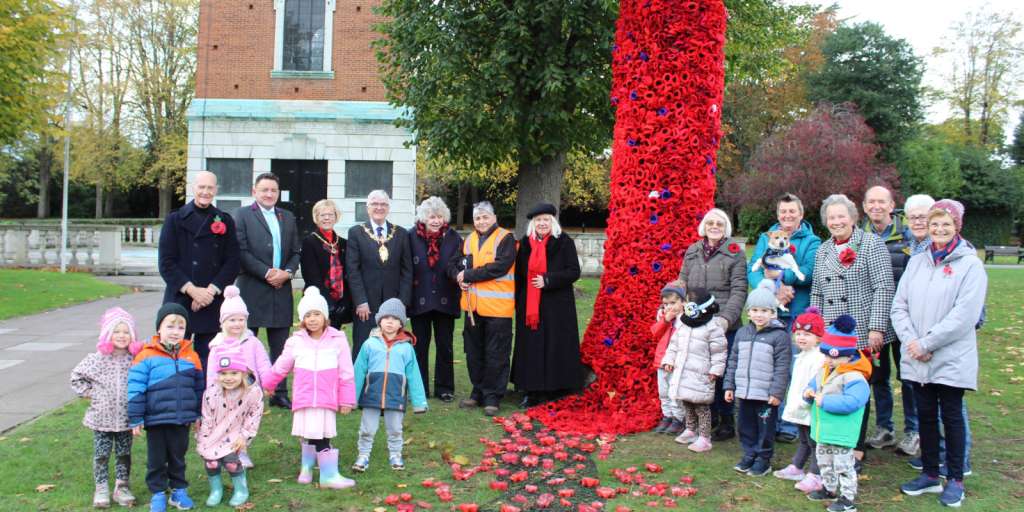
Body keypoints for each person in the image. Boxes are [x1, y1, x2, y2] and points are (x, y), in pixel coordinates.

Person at [894, 199, 986, 508]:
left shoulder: (970, 264)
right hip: (916, 354)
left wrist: (927, 343)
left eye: (946, 223)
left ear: (956, 225)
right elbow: (900, 305)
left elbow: (965, 315)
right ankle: (931, 474)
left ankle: (955, 478)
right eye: (934, 223)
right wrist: (911, 341)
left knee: (951, 416)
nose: (939, 228)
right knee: (926, 417)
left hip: (949, 356)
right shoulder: (919, 260)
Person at [810, 193, 895, 469]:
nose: (836, 221)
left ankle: (856, 449)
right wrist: (816, 327)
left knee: (855, 391)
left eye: (841, 216)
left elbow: (884, 286)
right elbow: (817, 291)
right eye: (831, 217)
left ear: (853, 217)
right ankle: (833, 442)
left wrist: (876, 327)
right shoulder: (823, 250)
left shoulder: (870, 244)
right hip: (832, 336)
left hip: (860, 333)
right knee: (831, 388)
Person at [261, 287, 357, 490]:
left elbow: (346, 372)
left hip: (325, 398)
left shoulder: (337, 340)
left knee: (322, 434)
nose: (312, 319)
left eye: (316, 314)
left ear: (325, 316)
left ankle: (327, 474)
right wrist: (268, 384)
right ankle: (308, 469)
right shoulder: (295, 342)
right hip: (304, 397)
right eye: (307, 315)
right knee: (310, 432)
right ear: (302, 319)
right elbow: (281, 366)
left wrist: (346, 399)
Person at [747, 193, 822, 443]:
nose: (787, 216)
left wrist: (784, 280)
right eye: (783, 212)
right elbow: (754, 271)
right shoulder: (765, 238)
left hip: (799, 314)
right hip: (771, 313)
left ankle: (791, 422)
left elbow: (810, 272)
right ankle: (770, 416)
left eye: (792, 211)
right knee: (771, 367)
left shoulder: (812, 241)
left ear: (801, 214)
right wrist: (771, 288)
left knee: (796, 368)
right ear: (777, 214)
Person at [158, 170, 240, 369]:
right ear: (193, 188)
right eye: (201, 187)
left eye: (210, 188)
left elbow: (232, 262)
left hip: (212, 301)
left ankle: (206, 397)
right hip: (180, 298)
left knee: (209, 359)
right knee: (174, 356)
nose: (205, 192)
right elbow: (166, 263)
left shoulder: (225, 220)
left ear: (216, 190)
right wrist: (193, 291)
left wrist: (209, 292)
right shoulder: (175, 220)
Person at [127, 303, 204, 512]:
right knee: (157, 459)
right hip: (156, 419)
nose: (175, 332)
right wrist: (135, 417)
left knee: (178, 456)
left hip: (182, 418)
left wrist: (198, 414)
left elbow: (198, 388)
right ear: (159, 329)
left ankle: (179, 490)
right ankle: (158, 492)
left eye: (180, 327)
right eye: (170, 326)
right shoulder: (145, 356)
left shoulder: (192, 356)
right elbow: (135, 388)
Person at [679, 208, 748, 441]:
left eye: (719, 223)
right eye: (710, 223)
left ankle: (727, 420)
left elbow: (739, 289)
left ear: (726, 226)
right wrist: (676, 305)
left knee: (721, 373)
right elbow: (683, 283)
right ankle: (705, 419)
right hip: (696, 321)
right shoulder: (692, 251)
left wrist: (726, 319)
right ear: (704, 226)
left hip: (722, 322)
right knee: (698, 371)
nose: (714, 226)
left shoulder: (735, 252)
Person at [234, 173, 301, 410]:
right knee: (247, 342)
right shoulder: (242, 215)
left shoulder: (288, 217)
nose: (269, 194)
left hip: (280, 289)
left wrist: (288, 272)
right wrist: (266, 273)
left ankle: (279, 392)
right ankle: (246, 389)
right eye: (264, 190)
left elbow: (295, 251)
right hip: (252, 287)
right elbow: (241, 251)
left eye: (273, 190)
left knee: (281, 346)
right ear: (254, 192)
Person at [70, 307, 143, 508]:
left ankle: (122, 487)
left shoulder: (135, 360)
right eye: (117, 332)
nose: (121, 336)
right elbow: (76, 376)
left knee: (123, 454)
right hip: (101, 419)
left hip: (126, 419)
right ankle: (101, 487)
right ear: (108, 334)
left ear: (132, 335)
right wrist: (91, 393)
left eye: (126, 332)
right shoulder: (97, 359)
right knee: (101, 454)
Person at [861, 185, 915, 454]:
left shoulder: (908, 235)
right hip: (875, 320)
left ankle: (913, 431)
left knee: (908, 376)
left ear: (892, 205)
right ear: (864, 206)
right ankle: (885, 428)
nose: (876, 207)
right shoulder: (860, 236)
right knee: (878, 376)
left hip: (905, 318)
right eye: (871, 202)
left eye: (881, 202)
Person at [512, 203, 583, 407]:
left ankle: (556, 388)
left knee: (555, 345)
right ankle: (531, 390)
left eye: (546, 220)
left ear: (552, 222)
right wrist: (518, 302)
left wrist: (548, 280)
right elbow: (519, 275)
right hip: (530, 306)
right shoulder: (525, 244)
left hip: (557, 305)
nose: (542, 223)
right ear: (533, 223)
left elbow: (573, 271)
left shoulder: (563, 242)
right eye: (538, 220)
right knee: (531, 347)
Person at [451, 201, 517, 417]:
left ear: (494, 217)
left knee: (496, 354)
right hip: (472, 308)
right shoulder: (469, 240)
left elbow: (500, 267)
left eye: (485, 217)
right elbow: (458, 264)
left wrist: (469, 275)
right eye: (477, 218)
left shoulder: (505, 238)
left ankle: (493, 397)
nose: (481, 221)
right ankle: (477, 391)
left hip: (498, 308)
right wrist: (458, 277)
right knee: (474, 353)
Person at [804, 315, 872, 512]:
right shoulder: (825, 369)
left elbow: (854, 402)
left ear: (848, 355)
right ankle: (829, 488)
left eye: (834, 356)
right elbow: (814, 385)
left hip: (841, 432)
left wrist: (826, 401)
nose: (829, 360)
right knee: (824, 461)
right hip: (823, 430)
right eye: (826, 356)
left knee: (843, 465)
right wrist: (808, 393)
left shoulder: (855, 377)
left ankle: (847, 498)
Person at [352, 298, 428, 472]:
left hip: (395, 395)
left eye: (394, 319)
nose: (390, 322)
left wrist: (419, 402)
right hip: (371, 394)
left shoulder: (406, 348)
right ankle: (363, 456)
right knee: (367, 429)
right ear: (379, 320)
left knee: (395, 429)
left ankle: (395, 455)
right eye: (386, 318)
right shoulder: (369, 344)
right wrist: (352, 398)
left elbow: (414, 377)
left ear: (401, 323)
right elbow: (358, 372)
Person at [723, 283, 791, 476]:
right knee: (745, 426)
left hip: (765, 395)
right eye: (754, 310)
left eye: (764, 310)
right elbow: (733, 360)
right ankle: (749, 454)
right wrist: (729, 385)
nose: (759, 315)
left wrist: (777, 393)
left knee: (764, 428)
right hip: (744, 391)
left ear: (773, 312)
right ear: (748, 312)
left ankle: (763, 458)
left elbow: (782, 367)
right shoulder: (743, 333)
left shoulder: (779, 336)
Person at [408, 196, 463, 402]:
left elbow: (459, 264)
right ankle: (420, 386)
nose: (436, 220)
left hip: (446, 298)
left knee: (445, 345)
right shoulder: (411, 236)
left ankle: (444, 388)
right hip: (419, 298)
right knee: (419, 346)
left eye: (440, 216)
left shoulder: (454, 238)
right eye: (432, 216)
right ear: (424, 217)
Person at [346, 190, 413, 357]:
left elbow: (407, 271)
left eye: (383, 204)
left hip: (393, 303)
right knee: (363, 347)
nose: (379, 207)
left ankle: (390, 382)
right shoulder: (356, 233)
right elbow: (352, 270)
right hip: (366, 305)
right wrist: (360, 301)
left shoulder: (401, 234)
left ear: (388, 208)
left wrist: (402, 303)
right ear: (367, 208)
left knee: (392, 349)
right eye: (375, 204)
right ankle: (360, 383)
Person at [659, 288, 727, 452]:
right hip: (683, 370)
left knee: (701, 406)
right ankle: (691, 430)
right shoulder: (684, 323)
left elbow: (719, 352)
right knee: (687, 402)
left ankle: (704, 437)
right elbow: (674, 344)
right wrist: (669, 360)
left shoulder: (712, 327)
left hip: (702, 373)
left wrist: (716, 370)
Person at [197, 351, 263, 507]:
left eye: (234, 373)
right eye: (223, 373)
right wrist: (203, 438)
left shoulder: (252, 392)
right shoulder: (212, 393)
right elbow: (207, 417)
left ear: (243, 373)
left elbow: (254, 415)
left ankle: (241, 490)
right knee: (211, 462)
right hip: (214, 433)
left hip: (236, 433)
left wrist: (244, 436)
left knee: (232, 462)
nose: (228, 377)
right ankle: (216, 490)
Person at [775, 307, 826, 493]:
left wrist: (807, 401)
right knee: (804, 438)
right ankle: (797, 467)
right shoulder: (801, 356)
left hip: (810, 406)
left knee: (815, 441)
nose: (801, 337)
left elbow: (816, 384)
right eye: (798, 333)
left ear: (819, 337)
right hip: (799, 406)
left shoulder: (820, 358)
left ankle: (815, 474)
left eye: (807, 334)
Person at [206, 285, 273, 390]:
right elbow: (211, 373)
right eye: (232, 320)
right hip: (225, 394)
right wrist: (212, 391)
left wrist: (268, 383)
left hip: (251, 392)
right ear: (223, 322)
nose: (237, 323)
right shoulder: (217, 345)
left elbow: (263, 365)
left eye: (241, 320)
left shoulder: (253, 342)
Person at [301, 199, 353, 329]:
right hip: (318, 301)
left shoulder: (343, 243)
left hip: (340, 303)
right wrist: (329, 303)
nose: (327, 218)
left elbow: (348, 274)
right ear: (316, 217)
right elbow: (311, 277)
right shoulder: (309, 242)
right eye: (322, 215)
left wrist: (344, 301)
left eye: (330, 215)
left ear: (336, 217)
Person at [651, 281, 688, 435]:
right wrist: (665, 320)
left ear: (683, 302)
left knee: (674, 392)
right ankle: (667, 416)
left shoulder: (685, 320)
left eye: (673, 303)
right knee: (663, 392)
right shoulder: (665, 318)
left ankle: (678, 419)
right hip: (661, 360)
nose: (669, 307)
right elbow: (655, 333)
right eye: (666, 304)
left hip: (676, 363)